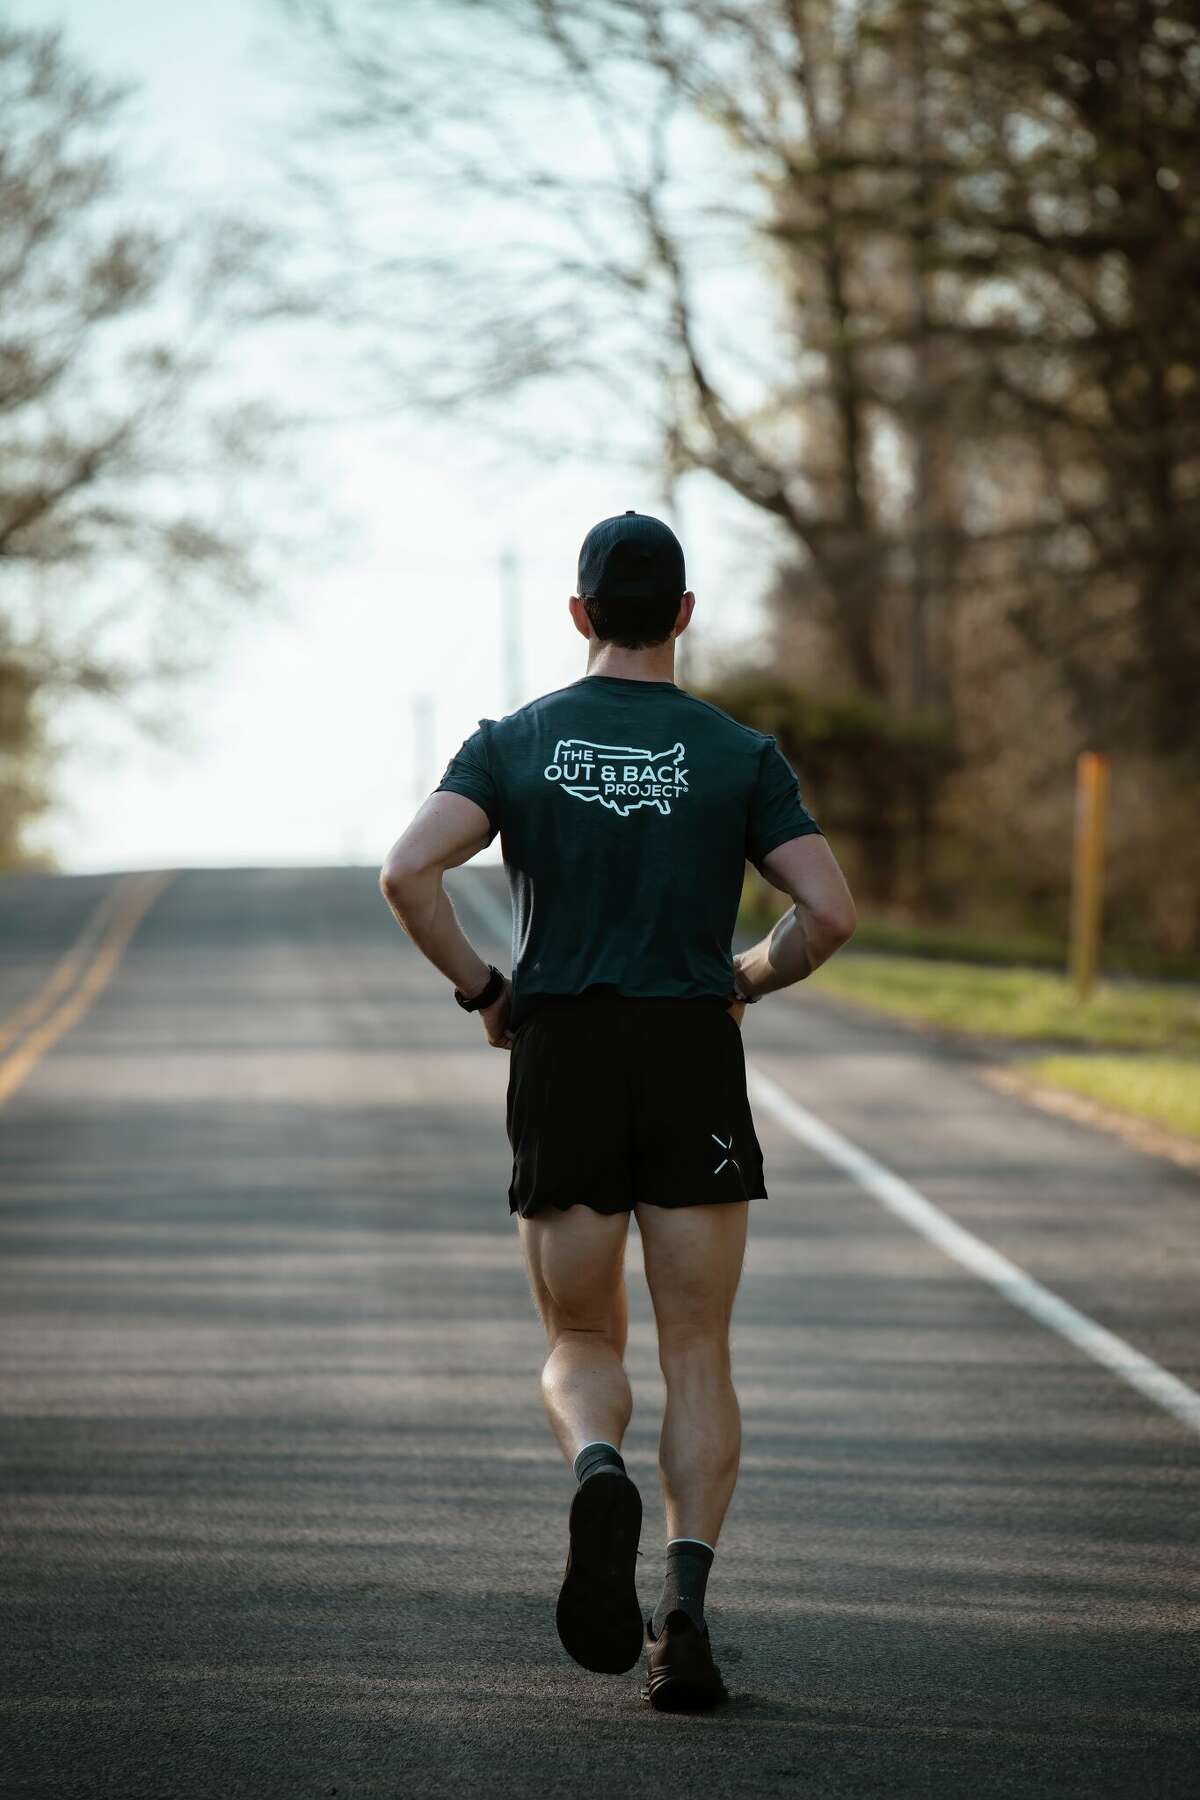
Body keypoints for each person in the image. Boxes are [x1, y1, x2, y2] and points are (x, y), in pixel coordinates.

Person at [380, 510, 856, 1712]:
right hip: (693, 1048)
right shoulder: (740, 753)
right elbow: (830, 913)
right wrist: (745, 978)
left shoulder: (516, 744)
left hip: (567, 1051)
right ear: (684, 616)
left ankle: (598, 1467)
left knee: (583, 1342)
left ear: (582, 614)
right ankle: (683, 1613)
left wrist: (486, 991)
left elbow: (406, 871)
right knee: (699, 1348)